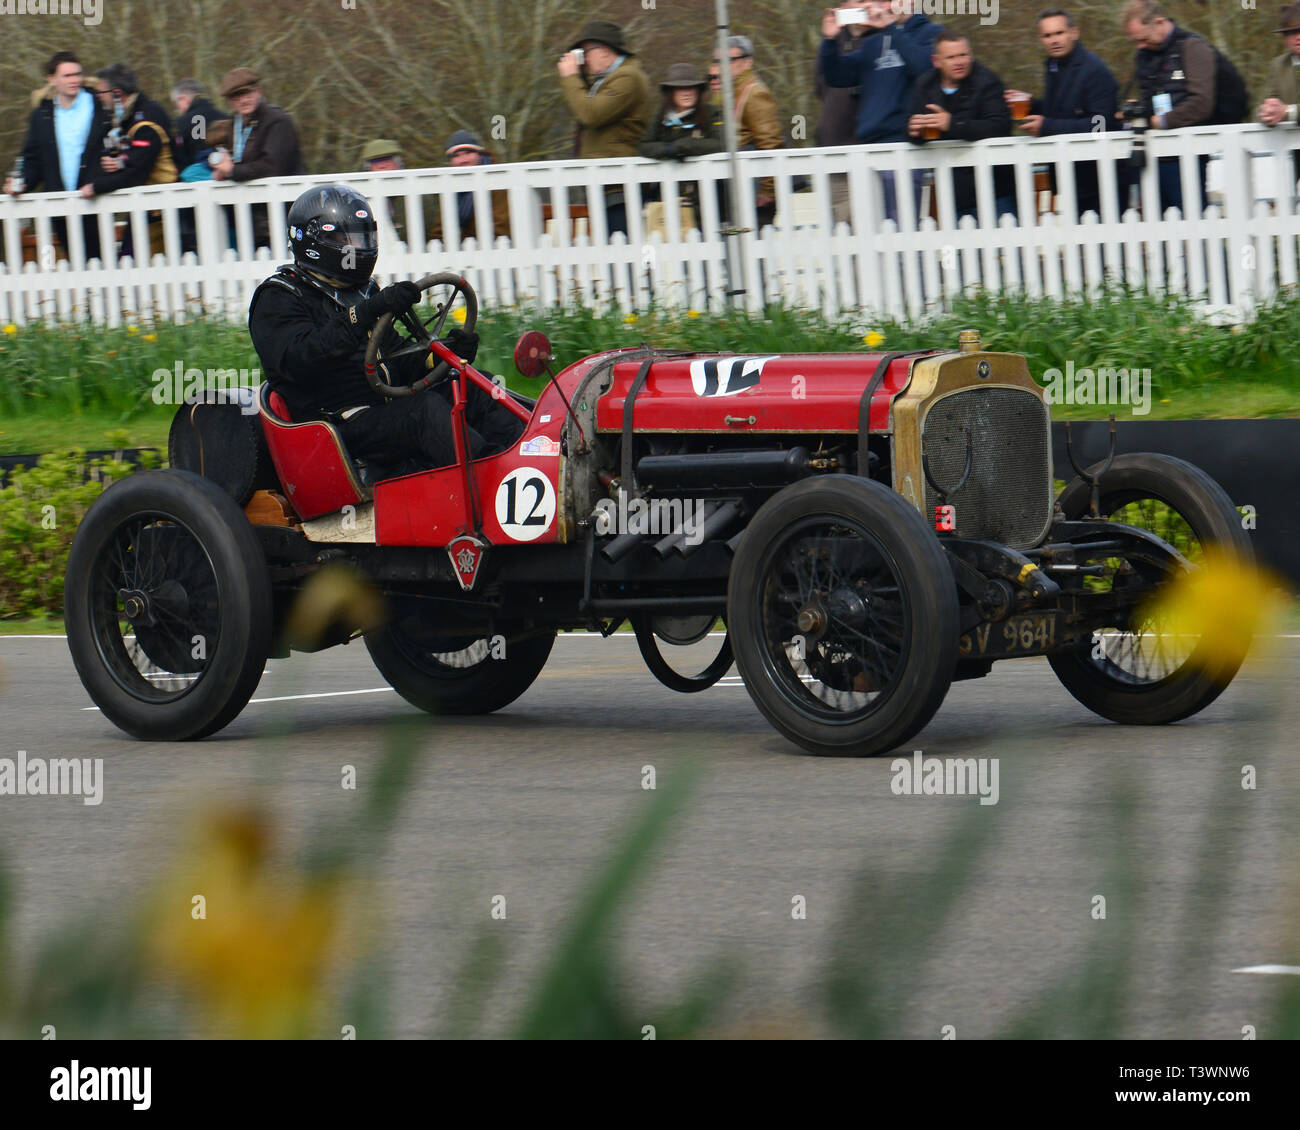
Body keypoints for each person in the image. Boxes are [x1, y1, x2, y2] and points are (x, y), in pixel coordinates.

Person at [249, 185, 523, 477]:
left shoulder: (359, 292)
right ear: (317, 242)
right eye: (348, 238)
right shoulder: (279, 296)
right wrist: (364, 314)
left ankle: (529, 463)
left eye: (363, 237)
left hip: (385, 412)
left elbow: (396, 360)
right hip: (336, 429)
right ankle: (494, 481)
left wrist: (442, 356)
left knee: (475, 386)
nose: (359, 246)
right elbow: (301, 360)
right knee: (424, 412)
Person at [818, 0, 944, 225]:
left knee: (902, 228)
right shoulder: (874, 42)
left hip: (904, 144)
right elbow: (838, 76)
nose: (884, 5)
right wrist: (829, 41)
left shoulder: (932, 33)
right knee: (872, 232)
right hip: (868, 146)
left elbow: (923, 69)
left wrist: (891, 29)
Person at [1121, 0, 1249, 214]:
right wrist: (1138, 110)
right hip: (1157, 152)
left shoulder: (1192, 47)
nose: (1140, 46)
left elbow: (1201, 103)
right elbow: (1151, 97)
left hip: (1191, 150)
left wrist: (1161, 121)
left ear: (1159, 22)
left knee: (1193, 219)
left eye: (1143, 39)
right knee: (1161, 223)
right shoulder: (1145, 54)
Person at [1006, 8, 1120, 219]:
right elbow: (1062, 112)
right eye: (1047, 35)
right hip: (1069, 176)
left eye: (1059, 33)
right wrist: (1032, 105)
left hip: (1099, 180)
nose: (1054, 40)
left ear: (1074, 33)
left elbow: (1102, 125)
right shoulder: (1053, 66)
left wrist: (1046, 126)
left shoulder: (1093, 70)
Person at [6, 51, 109, 261]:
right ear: (52, 79)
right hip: (60, 204)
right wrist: (21, 182)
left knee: (104, 263)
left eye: (77, 74)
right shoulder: (41, 115)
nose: (74, 80)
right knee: (77, 264)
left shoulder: (100, 105)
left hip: (96, 199)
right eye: (67, 76)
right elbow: (32, 159)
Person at [908, 32, 1017, 222]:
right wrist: (914, 132)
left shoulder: (988, 82)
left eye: (963, 55)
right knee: (957, 250)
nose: (959, 62)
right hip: (952, 190)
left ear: (971, 54)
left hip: (995, 189)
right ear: (936, 61)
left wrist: (951, 124)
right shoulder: (924, 84)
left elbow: (999, 127)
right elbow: (913, 126)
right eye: (951, 57)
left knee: (1004, 249)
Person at [557, 20, 651, 237]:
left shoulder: (628, 77)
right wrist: (578, 76)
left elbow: (591, 114)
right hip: (606, 181)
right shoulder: (607, 79)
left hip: (618, 185)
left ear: (605, 51)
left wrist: (571, 78)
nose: (585, 58)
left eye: (586, 51)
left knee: (621, 248)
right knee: (612, 250)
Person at [210, 68, 305, 248]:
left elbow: (273, 167)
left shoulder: (278, 120)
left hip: (284, 214)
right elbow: (237, 160)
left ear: (258, 91)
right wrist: (223, 171)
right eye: (236, 97)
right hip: (252, 218)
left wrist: (233, 171)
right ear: (229, 101)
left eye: (247, 93)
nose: (243, 100)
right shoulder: (233, 124)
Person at [708, 35, 782, 228]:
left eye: (728, 60)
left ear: (747, 62)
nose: (721, 66)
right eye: (718, 61)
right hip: (734, 186)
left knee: (753, 250)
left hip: (754, 190)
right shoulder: (726, 93)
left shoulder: (754, 93)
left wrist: (768, 190)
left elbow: (771, 144)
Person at [638, 64, 723, 231]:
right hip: (669, 198)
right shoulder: (661, 117)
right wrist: (668, 150)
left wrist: (684, 146)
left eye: (692, 88)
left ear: (698, 91)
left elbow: (722, 143)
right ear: (671, 92)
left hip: (708, 199)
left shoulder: (712, 113)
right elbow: (644, 146)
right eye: (680, 88)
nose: (687, 92)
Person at [429, 130, 512, 245]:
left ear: (479, 154)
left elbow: (500, 227)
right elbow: (440, 230)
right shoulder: (450, 186)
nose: (463, 160)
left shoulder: (497, 180)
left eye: (468, 153)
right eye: (456, 156)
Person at [171, 78, 230, 170]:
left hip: (193, 180)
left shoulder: (180, 123)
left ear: (183, 98)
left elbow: (179, 158)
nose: (177, 108)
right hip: (225, 176)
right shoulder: (226, 118)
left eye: (176, 103)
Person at [1259, 3, 1300, 127]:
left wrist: (1287, 112)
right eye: (1292, 32)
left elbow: (1283, 111)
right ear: (1284, 39)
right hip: (1288, 143)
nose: (1298, 37)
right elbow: (1267, 102)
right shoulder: (1278, 65)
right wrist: (1267, 113)